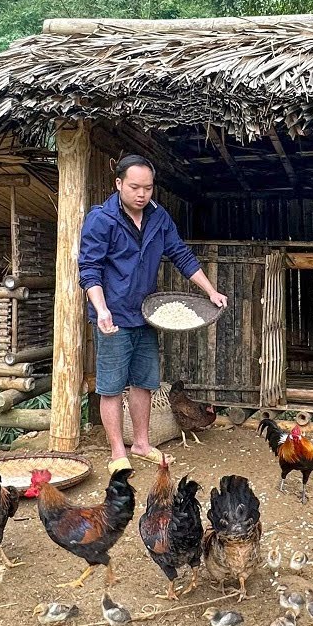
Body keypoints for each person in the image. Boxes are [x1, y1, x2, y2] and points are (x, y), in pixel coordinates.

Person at [78, 154, 227, 472]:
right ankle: (118, 451)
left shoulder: (159, 218)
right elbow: (89, 269)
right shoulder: (101, 219)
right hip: (113, 316)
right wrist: (101, 309)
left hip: (147, 313)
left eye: (148, 188)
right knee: (111, 387)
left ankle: (142, 443)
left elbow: (181, 254)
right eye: (134, 187)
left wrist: (210, 290)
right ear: (118, 184)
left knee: (145, 382)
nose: (142, 194)